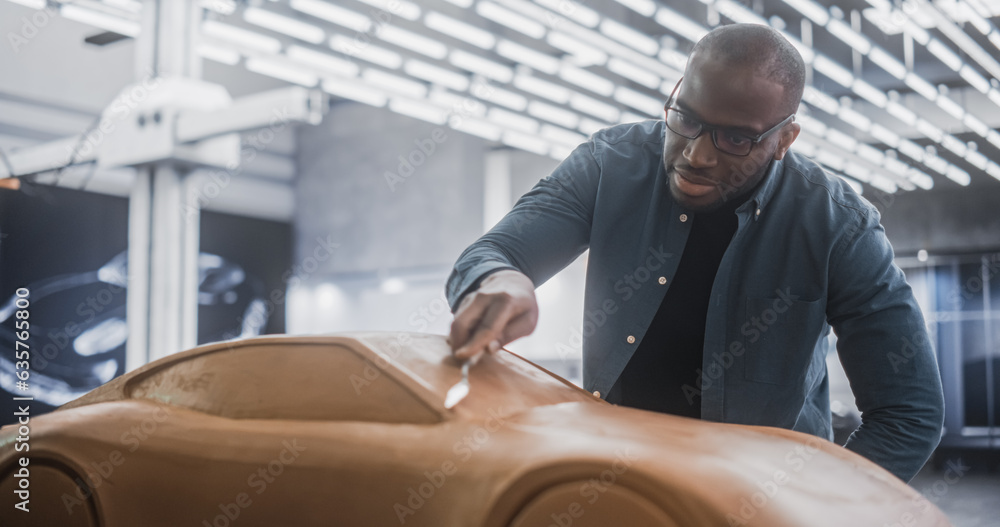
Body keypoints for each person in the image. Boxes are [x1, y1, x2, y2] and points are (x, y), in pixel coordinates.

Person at [445, 23, 944, 483]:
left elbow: (910, 412)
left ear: (783, 139)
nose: (696, 156)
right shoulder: (609, 165)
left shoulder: (837, 225)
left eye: (735, 139)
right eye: (685, 118)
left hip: (759, 497)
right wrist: (501, 279)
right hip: (619, 486)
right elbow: (494, 252)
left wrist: (820, 505)